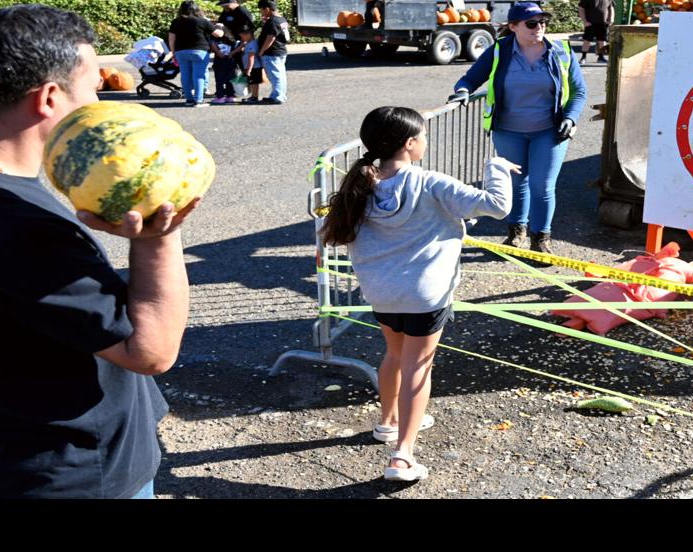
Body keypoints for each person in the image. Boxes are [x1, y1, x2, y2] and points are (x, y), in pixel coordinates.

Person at [0, 4, 201, 499]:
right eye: (92, 88)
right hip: (72, 471)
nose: (104, 98)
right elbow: (151, 350)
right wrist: (159, 235)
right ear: (49, 97)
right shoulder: (14, 225)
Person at [318, 107, 517, 481]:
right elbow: (497, 206)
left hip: (380, 292)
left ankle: (388, 422)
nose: (425, 142)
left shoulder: (360, 186)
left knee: (394, 354)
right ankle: (402, 456)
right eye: (422, 136)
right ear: (410, 144)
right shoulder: (431, 183)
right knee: (418, 367)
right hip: (426, 295)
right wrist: (498, 169)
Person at [447, 1, 585, 255]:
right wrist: (463, 91)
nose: (539, 27)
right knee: (517, 183)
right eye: (531, 23)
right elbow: (470, 78)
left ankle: (541, 239)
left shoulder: (562, 51)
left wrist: (572, 116)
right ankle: (516, 233)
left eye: (542, 22)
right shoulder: (499, 50)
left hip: (550, 131)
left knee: (542, 186)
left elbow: (579, 91)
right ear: (513, 27)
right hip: (508, 130)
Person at [167, 0, 215, 107]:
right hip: (200, 51)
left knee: (185, 76)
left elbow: (171, 39)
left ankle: (189, 100)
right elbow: (218, 34)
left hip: (181, 51)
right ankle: (198, 100)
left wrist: (174, 53)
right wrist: (220, 28)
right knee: (198, 76)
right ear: (196, 9)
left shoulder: (176, 21)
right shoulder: (202, 21)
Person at [248, 0, 289, 105]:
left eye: (262, 10)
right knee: (280, 75)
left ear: (267, 9)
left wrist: (262, 51)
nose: (261, 12)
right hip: (279, 50)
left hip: (272, 52)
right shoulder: (281, 19)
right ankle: (280, 95)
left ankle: (277, 97)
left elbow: (270, 38)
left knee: (275, 76)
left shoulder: (273, 21)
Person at [209, 28, 238, 103]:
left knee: (219, 81)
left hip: (219, 62)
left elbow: (213, 48)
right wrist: (232, 53)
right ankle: (230, 96)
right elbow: (240, 46)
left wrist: (218, 53)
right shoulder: (232, 41)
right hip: (231, 61)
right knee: (230, 80)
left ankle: (220, 97)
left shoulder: (215, 40)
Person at [235, 25, 262, 102]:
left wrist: (249, 69)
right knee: (252, 82)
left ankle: (255, 97)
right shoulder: (249, 43)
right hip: (251, 67)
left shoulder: (252, 44)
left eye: (242, 36)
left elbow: (251, 57)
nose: (241, 39)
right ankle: (253, 96)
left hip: (254, 67)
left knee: (254, 82)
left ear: (248, 34)